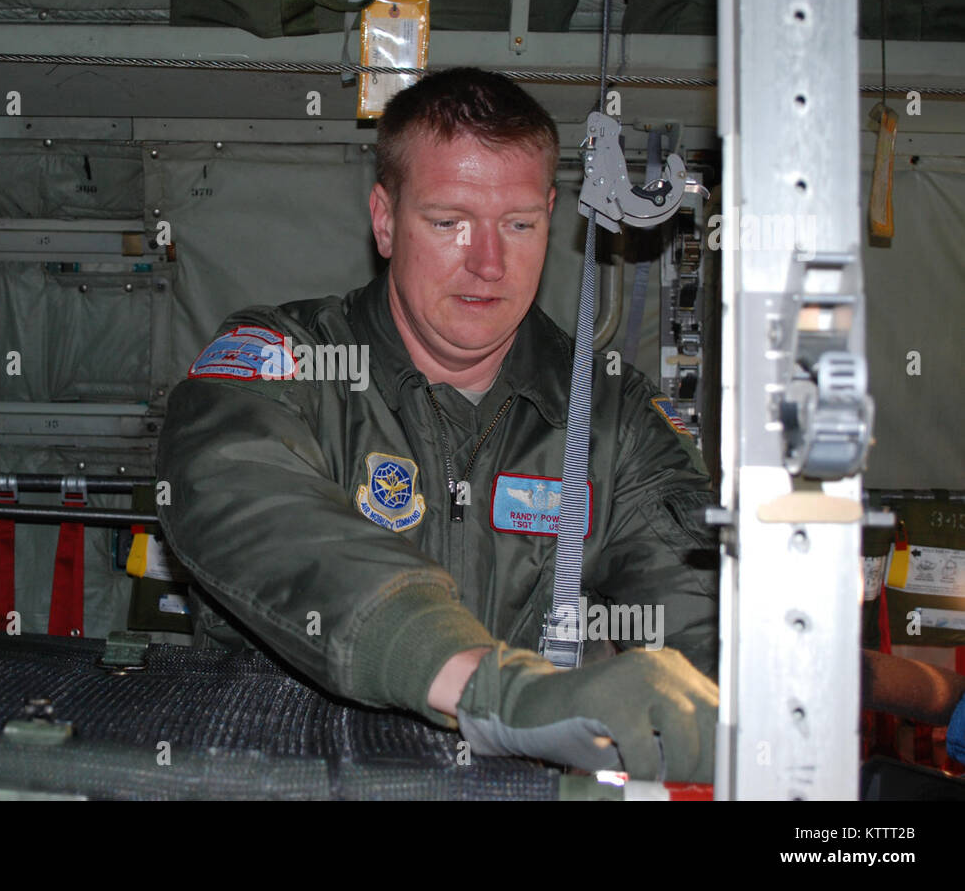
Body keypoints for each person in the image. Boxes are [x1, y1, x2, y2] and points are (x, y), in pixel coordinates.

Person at [155, 67, 719, 782]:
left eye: (518, 225)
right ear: (385, 220)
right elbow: (243, 497)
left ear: (552, 214)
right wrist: (487, 685)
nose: (488, 264)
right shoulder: (288, 363)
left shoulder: (612, 417)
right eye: (450, 223)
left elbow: (698, 610)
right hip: (285, 773)